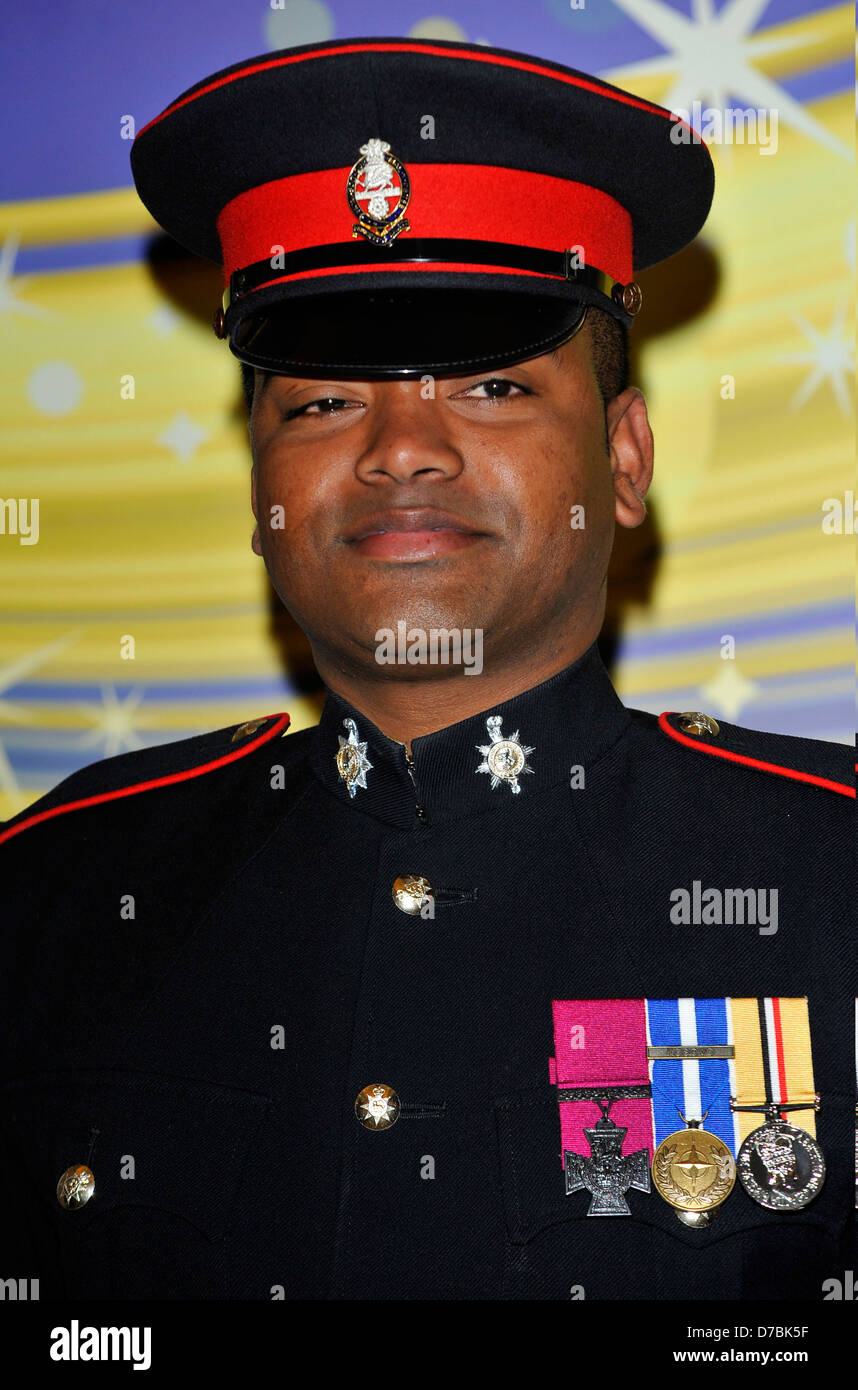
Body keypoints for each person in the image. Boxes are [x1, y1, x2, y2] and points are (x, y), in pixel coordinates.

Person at [0, 35, 853, 1302]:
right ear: (258, 490)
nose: (402, 449)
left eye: (496, 384)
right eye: (323, 402)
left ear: (625, 462)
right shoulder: (57, 897)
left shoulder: (829, 878)